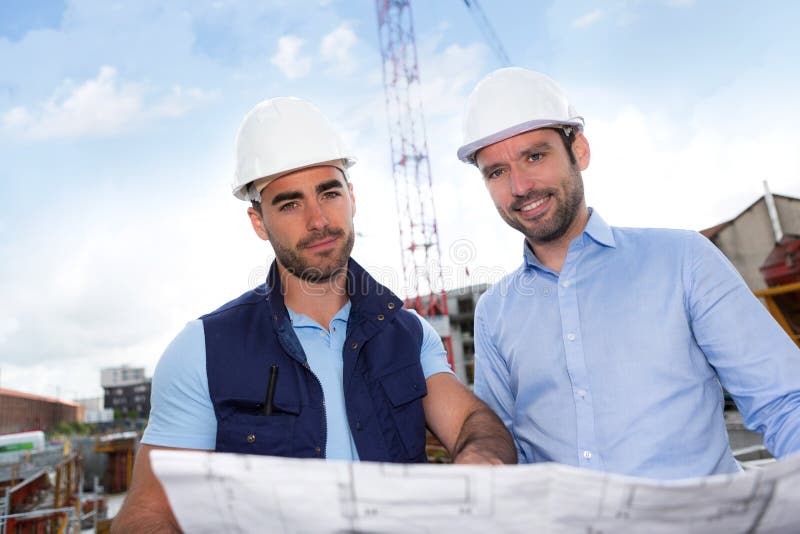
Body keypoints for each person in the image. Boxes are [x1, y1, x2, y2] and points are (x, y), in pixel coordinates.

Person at [113, 97, 516, 532]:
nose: (318, 219)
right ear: (258, 222)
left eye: (329, 192)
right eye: (289, 204)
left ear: (352, 197)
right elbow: (149, 514)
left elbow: (475, 424)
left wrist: (479, 456)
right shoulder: (203, 350)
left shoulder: (407, 333)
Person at [456, 67, 800, 479]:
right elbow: (502, 448)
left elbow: (785, 401)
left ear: (578, 151)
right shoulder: (494, 312)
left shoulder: (684, 260)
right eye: (496, 171)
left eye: (535, 155)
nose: (520, 186)